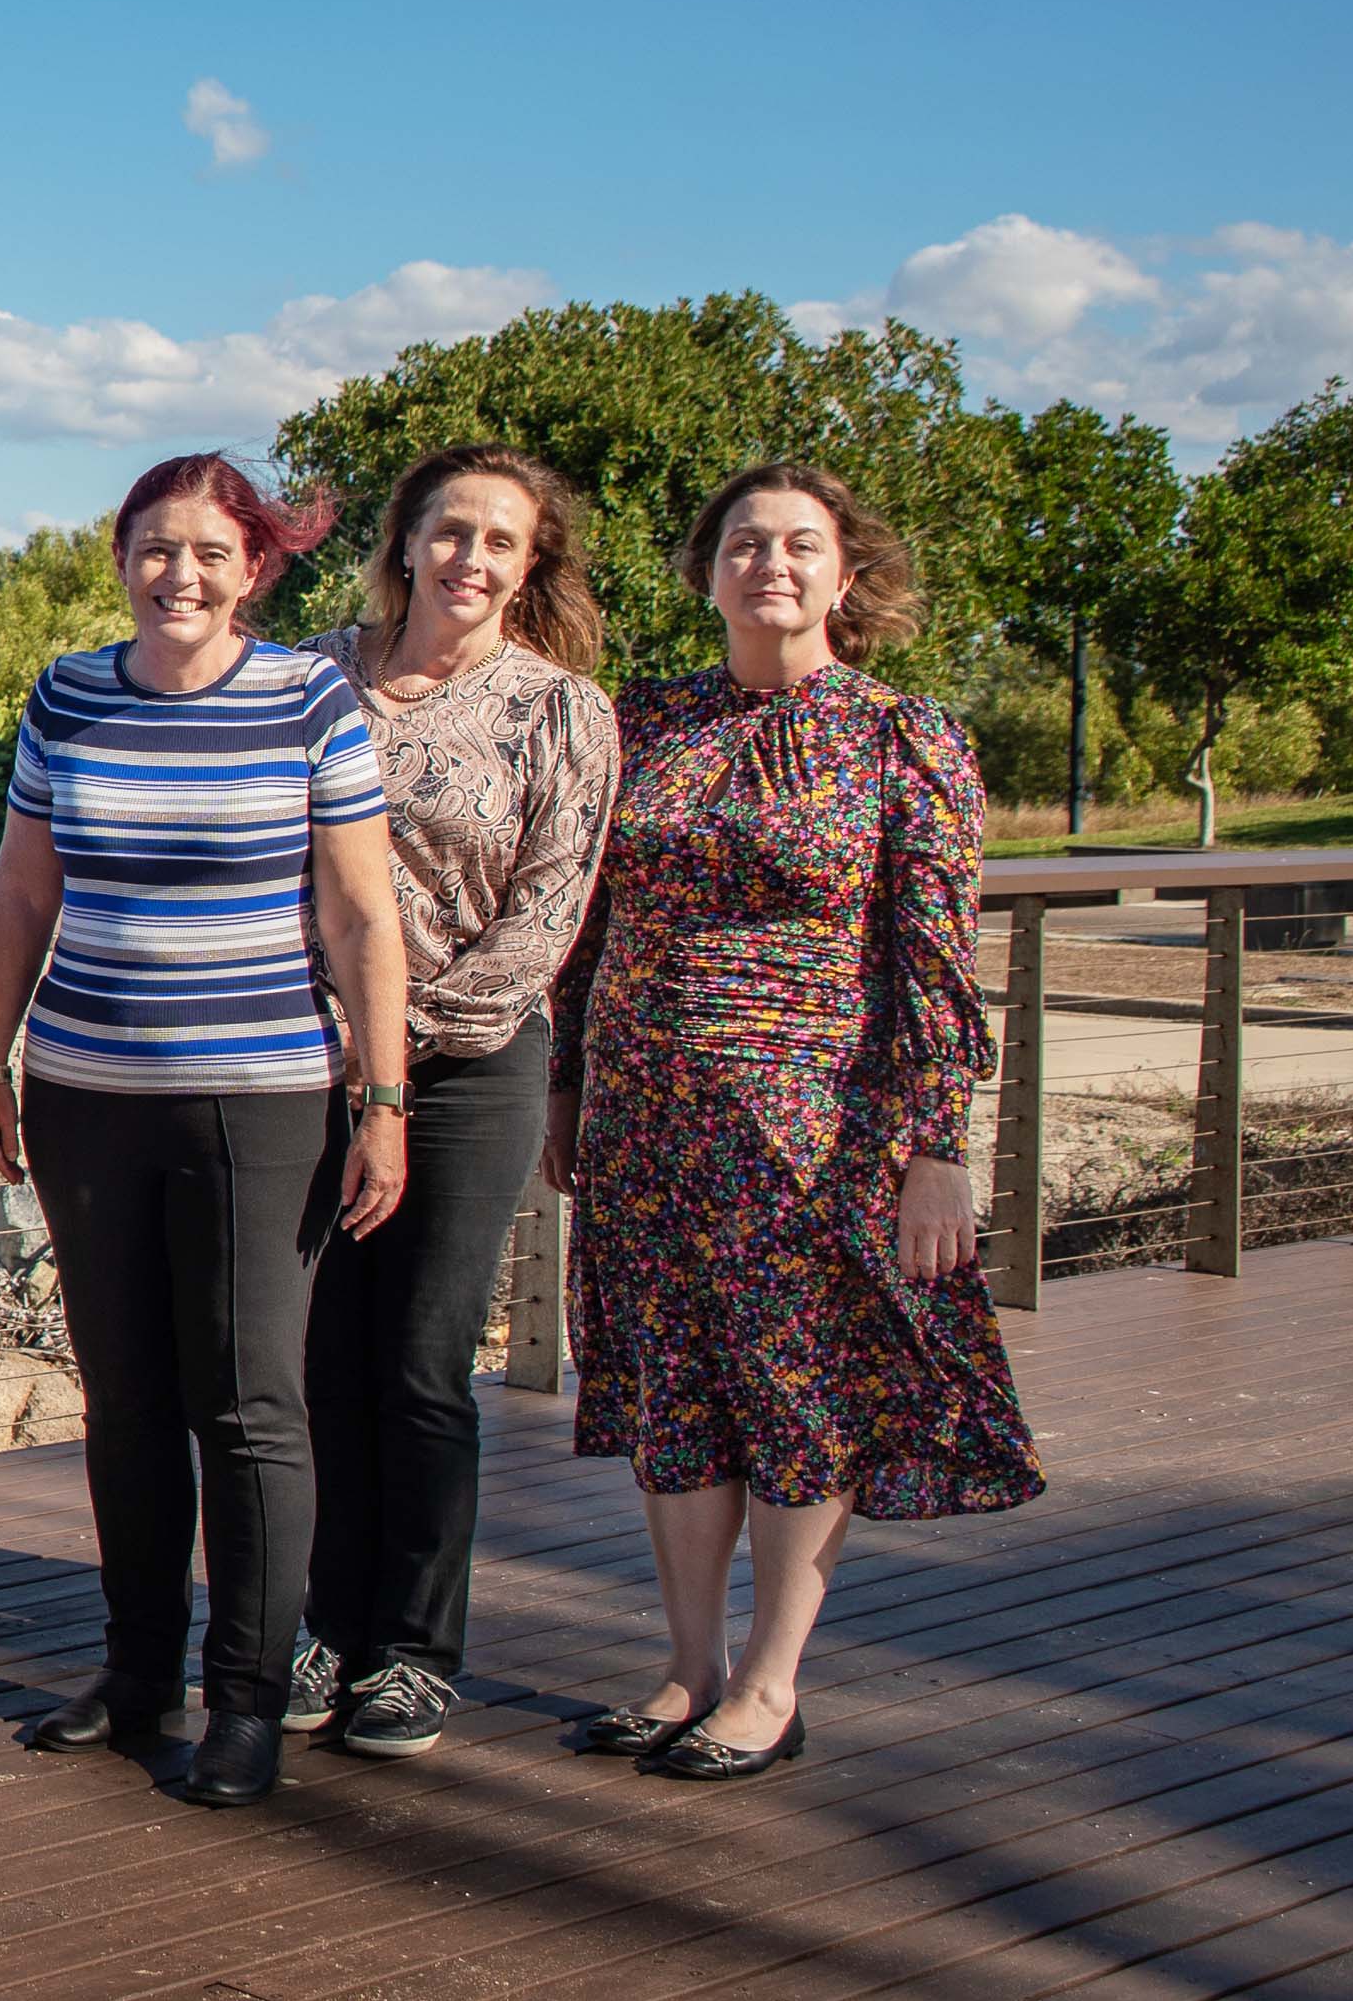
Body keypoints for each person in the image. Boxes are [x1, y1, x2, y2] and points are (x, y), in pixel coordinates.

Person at [550, 461, 1040, 1782]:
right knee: (675, 1391)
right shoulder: (642, 722)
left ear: (845, 575)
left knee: (796, 1393)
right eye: (746, 543)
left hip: (813, 1135)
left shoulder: (903, 736)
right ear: (708, 570)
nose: (772, 563)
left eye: (801, 545)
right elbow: (590, 927)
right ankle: (687, 1665)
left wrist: (939, 1145)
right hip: (646, 1123)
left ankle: (771, 1681)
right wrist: (565, 1090)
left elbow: (938, 952)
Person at [0, 453, 413, 1808]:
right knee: (126, 1401)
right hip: (88, 1094)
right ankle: (135, 1670)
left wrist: (382, 1100)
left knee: (248, 1402)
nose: (181, 575)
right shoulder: (68, 694)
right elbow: (23, 892)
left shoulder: (307, 699)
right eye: (156, 549)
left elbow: (358, 914)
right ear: (122, 558)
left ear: (257, 565)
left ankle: (248, 1695)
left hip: (258, 1099)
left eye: (211, 553)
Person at [284, 446, 619, 1760]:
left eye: (501, 539)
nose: (470, 558)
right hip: (301, 1059)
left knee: (420, 1360)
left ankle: (413, 1647)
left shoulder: (559, 711)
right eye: (449, 530)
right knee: (309, 1359)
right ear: (405, 540)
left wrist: (396, 1052)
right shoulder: (315, 672)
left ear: (531, 564)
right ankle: (315, 1621)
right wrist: (333, 1043)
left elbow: (549, 914)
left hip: (470, 1066)